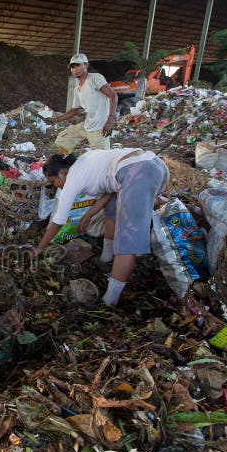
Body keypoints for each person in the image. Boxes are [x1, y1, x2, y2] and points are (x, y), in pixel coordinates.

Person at [32, 149, 169, 306]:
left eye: (53, 181)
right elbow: (109, 190)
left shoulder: (72, 180)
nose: (55, 186)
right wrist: (89, 215)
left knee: (128, 238)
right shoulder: (83, 161)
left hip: (139, 173)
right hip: (150, 163)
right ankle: (106, 257)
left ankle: (110, 300)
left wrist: (39, 248)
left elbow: (58, 222)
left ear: (62, 173)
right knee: (111, 209)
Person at [44, 53, 118, 155]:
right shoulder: (77, 88)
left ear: (86, 65)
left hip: (99, 128)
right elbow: (75, 110)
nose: (75, 69)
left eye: (78, 65)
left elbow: (113, 96)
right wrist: (55, 120)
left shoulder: (95, 78)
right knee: (63, 140)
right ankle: (69, 164)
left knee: (101, 158)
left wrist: (110, 121)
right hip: (87, 125)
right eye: (72, 67)